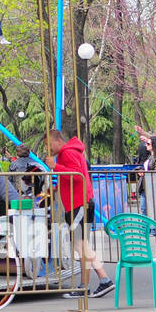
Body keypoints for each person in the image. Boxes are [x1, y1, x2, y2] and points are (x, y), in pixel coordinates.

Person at [47, 128, 114, 299]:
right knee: (81, 246)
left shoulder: (67, 153)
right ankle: (85, 284)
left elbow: (76, 175)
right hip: (78, 203)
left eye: (49, 145)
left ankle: (104, 278)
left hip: (79, 204)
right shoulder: (69, 152)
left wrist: (56, 167)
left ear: (57, 141)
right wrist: (58, 185)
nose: (49, 149)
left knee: (81, 245)